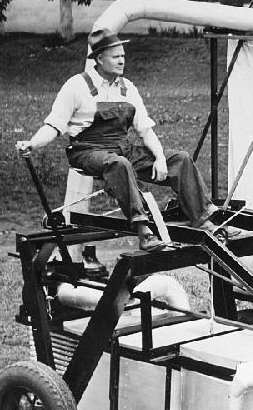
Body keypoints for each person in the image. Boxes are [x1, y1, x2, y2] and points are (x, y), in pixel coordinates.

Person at [16, 30, 226, 251]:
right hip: (87, 150)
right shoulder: (76, 86)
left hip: (122, 149)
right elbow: (54, 125)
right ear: (99, 59)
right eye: (115, 56)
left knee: (180, 160)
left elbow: (145, 130)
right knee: (119, 164)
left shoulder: (128, 88)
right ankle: (144, 232)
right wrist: (32, 143)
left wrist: (160, 158)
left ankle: (205, 222)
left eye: (123, 56)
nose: (121, 60)